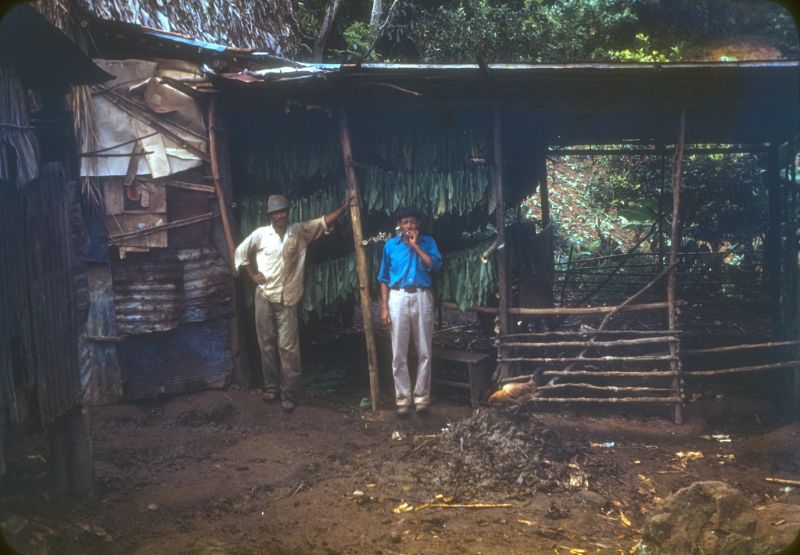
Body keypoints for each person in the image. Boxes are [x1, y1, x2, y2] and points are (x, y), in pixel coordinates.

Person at [235, 193, 353, 412]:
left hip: (288, 297)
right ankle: (271, 387)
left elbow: (322, 222)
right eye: (276, 212)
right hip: (264, 295)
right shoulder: (261, 235)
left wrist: (343, 207)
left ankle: (290, 392)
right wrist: (252, 274)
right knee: (266, 344)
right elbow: (240, 253)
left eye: (283, 211)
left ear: (288, 212)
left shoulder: (299, 232)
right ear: (270, 215)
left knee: (288, 347)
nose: (280, 215)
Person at [378, 207, 442, 416]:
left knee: (424, 350)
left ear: (418, 224)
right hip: (398, 297)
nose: (409, 226)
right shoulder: (390, 246)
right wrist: (385, 308)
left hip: (422, 296)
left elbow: (434, 265)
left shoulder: (428, 243)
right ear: (400, 224)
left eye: (413, 222)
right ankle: (403, 399)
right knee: (398, 352)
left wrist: (415, 246)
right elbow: (384, 279)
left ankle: (422, 398)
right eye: (405, 222)